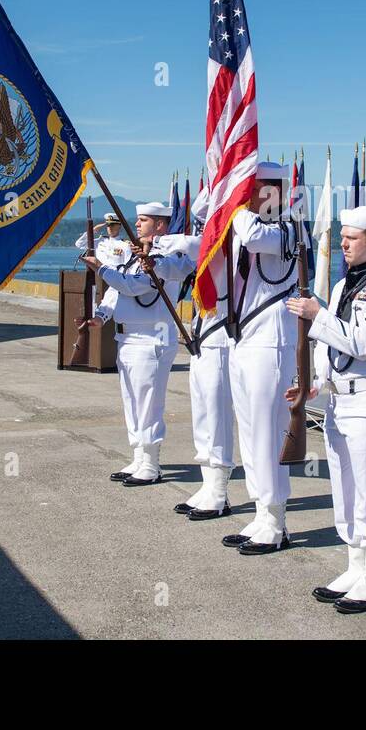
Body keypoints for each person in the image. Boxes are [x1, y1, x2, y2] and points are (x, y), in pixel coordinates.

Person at [286, 206, 366, 613]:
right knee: (345, 488)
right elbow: (330, 347)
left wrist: (316, 315)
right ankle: (354, 567)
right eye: (342, 235)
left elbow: (362, 343)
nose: (343, 243)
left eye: (352, 238)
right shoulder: (344, 285)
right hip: (340, 399)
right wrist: (313, 385)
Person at [222, 161, 309, 556]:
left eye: (253, 189)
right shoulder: (247, 222)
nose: (249, 196)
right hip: (244, 338)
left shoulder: (290, 226)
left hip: (272, 342)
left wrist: (232, 201)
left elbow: (254, 237)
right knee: (249, 430)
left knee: (266, 432)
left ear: (273, 190)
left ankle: (275, 520)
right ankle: (261, 511)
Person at [82, 203, 194, 487]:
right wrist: (101, 316)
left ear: (160, 225)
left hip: (151, 339)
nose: (138, 224)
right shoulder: (134, 256)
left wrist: (102, 269)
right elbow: (115, 293)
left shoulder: (165, 257)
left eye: (144, 220)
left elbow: (134, 286)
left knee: (148, 403)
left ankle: (152, 463)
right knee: (131, 401)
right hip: (127, 337)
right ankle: (138, 455)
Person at [171, 192, 235, 520]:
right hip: (201, 340)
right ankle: (208, 484)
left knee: (217, 413)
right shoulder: (207, 245)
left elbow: (203, 249)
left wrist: (171, 242)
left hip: (221, 341)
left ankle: (220, 490)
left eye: (207, 220)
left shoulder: (228, 243)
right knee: (202, 414)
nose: (203, 226)